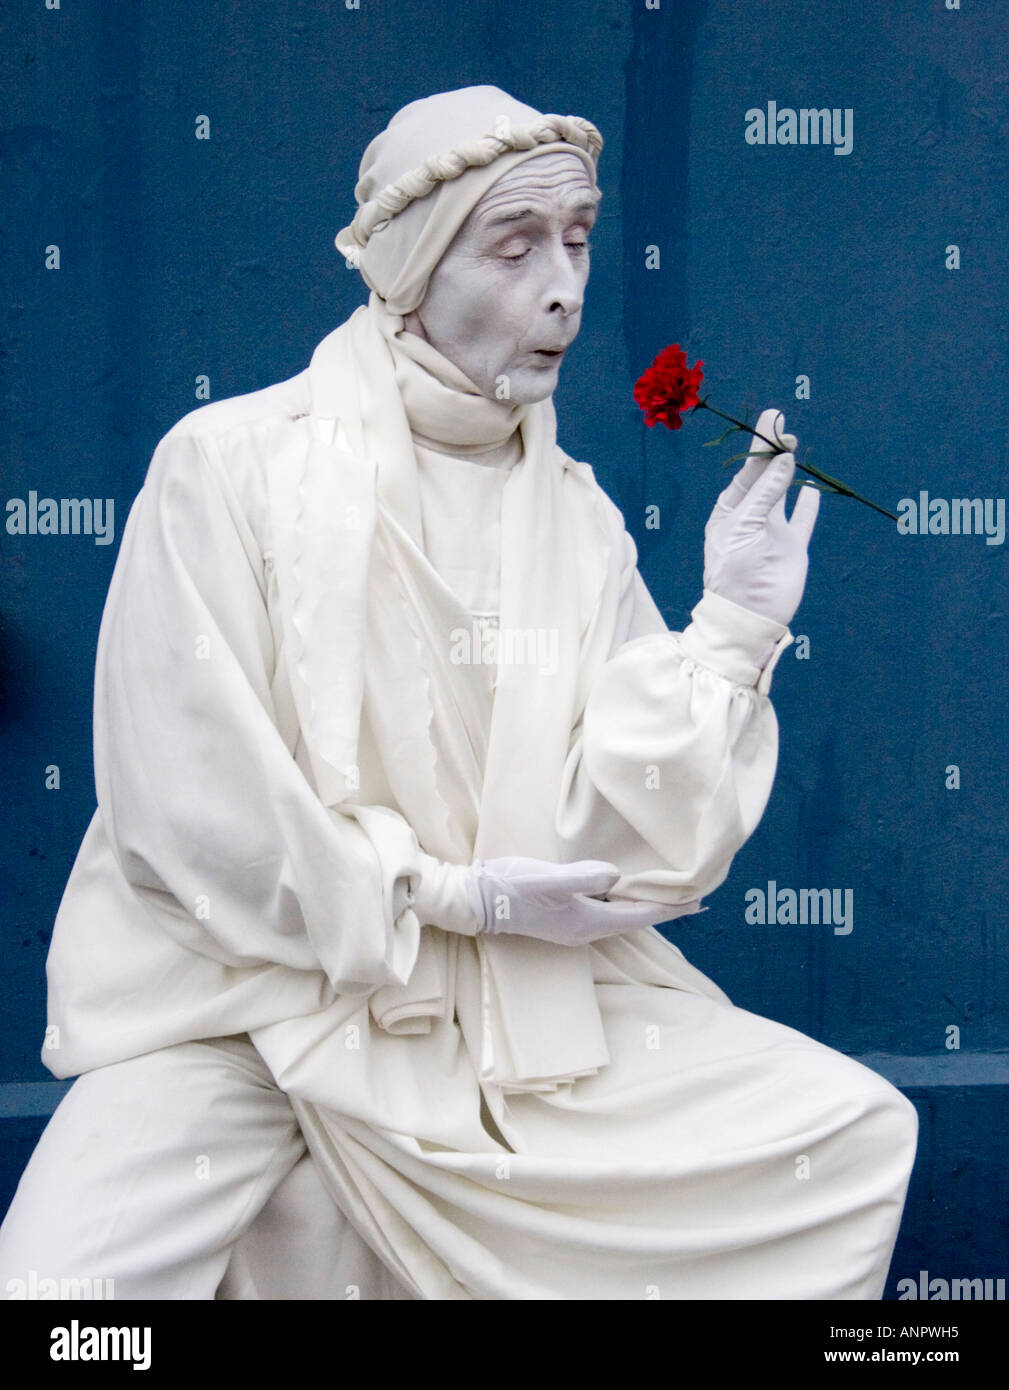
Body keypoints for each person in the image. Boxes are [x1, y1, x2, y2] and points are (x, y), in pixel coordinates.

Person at [0, 85, 917, 1301]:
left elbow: (624, 840)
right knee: (62, 1306)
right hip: (246, 1018)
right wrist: (449, 895)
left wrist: (733, 630)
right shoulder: (229, 465)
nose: (565, 287)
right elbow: (190, 807)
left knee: (848, 1136)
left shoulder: (577, 518)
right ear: (413, 263)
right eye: (516, 243)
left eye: (580, 239)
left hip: (511, 1019)